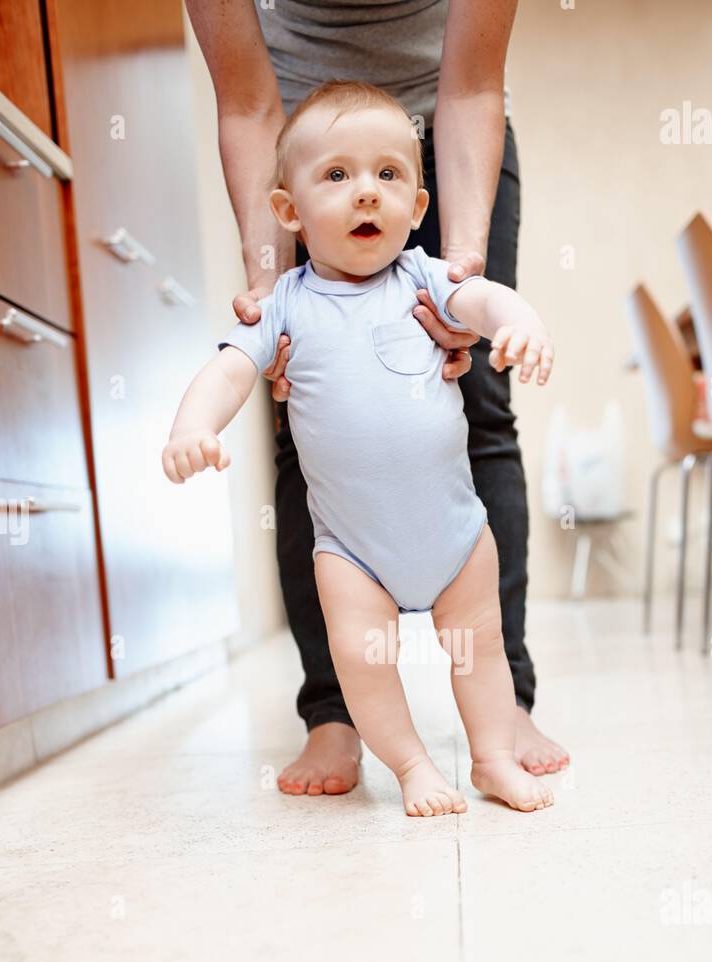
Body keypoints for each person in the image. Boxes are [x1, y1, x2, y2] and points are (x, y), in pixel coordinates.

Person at [185, 0, 569, 795]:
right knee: (361, 645)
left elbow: (481, 294)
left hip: (457, 540)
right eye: (340, 182)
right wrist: (196, 419)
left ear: (416, 210)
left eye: (388, 182)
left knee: (485, 423)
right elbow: (230, 364)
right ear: (288, 212)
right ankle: (362, 734)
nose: (367, 195)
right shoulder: (290, 300)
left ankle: (497, 740)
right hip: (350, 552)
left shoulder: (424, 273)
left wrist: (510, 314)